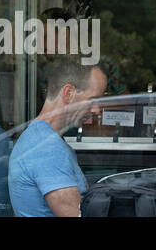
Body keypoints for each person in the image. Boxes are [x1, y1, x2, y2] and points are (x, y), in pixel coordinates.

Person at [7, 56, 107, 217]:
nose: (96, 110)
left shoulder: (38, 137)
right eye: (92, 100)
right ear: (68, 93)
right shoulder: (47, 148)